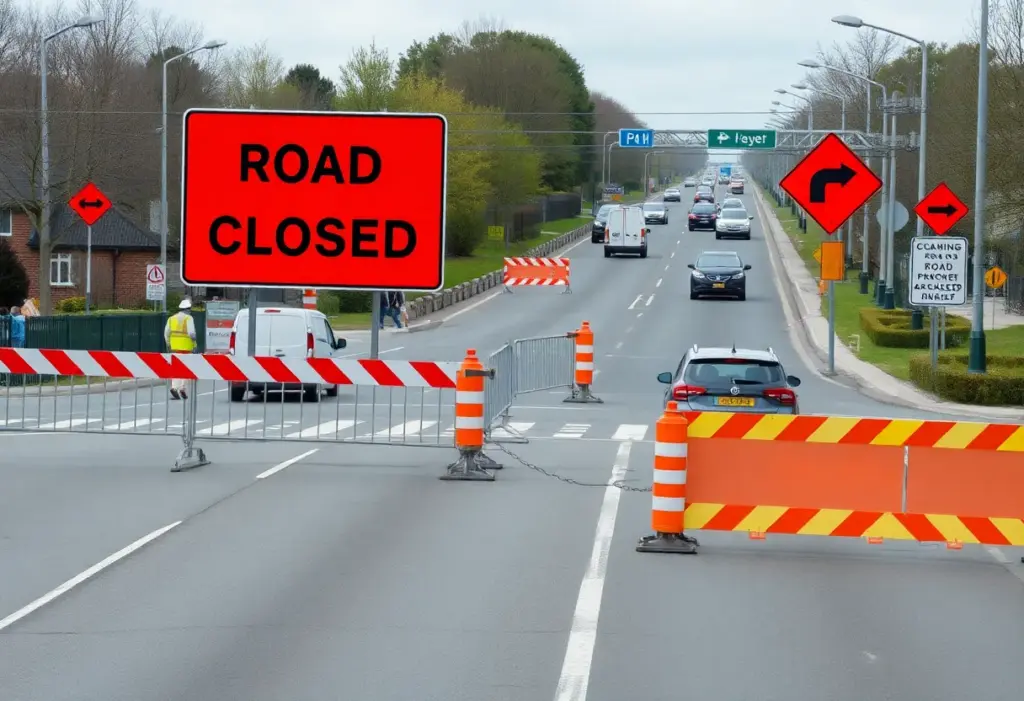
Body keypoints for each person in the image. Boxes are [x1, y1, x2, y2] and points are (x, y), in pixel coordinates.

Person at [164, 298, 197, 400]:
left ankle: (174, 388)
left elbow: (166, 333)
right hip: (186, 348)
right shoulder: (188, 318)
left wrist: (169, 344)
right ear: (188, 309)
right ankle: (182, 388)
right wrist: (195, 344)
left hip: (174, 348)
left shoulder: (171, 318)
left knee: (176, 369)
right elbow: (191, 333)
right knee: (186, 369)